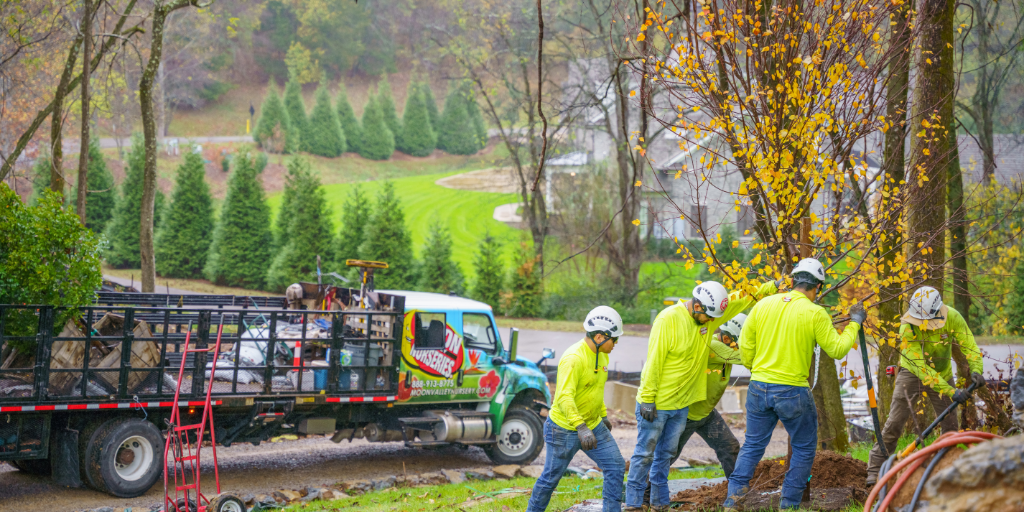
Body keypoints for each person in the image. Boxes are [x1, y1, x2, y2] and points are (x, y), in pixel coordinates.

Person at [723, 258, 865, 511]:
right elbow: (838, 348)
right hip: (792, 390)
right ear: (818, 288)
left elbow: (745, 345)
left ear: (793, 280)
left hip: (759, 386)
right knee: (803, 446)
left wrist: (755, 367)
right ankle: (788, 505)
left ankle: (733, 499)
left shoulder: (764, 304)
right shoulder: (815, 313)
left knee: (753, 444)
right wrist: (854, 322)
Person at [625, 279, 777, 511]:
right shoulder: (675, 324)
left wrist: (767, 288)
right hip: (669, 407)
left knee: (676, 455)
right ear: (697, 307)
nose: (712, 323)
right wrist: (647, 398)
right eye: (709, 317)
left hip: (691, 408)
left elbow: (738, 301)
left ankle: (665, 503)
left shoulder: (707, 322)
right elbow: (654, 361)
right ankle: (637, 502)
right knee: (652, 454)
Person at [864, 286, 984, 485]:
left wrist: (976, 370)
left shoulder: (952, 317)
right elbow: (920, 368)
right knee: (894, 423)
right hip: (912, 373)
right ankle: (875, 470)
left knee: (950, 427)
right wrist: (951, 391)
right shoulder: (907, 327)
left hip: (943, 375)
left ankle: (947, 469)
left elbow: (969, 345)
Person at [642, 313, 748, 507]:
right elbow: (746, 357)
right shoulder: (714, 347)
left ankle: (737, 494)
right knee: (667, 456)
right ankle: (643, 497)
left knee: (729, 447)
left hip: (707, 414)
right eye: (742, 341)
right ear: (727, 338)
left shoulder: (725, 347)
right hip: (687, 414)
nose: (744, 346)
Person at [527, 306, 626, 512]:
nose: (616, 343)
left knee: (615, 466)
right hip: (564, 429)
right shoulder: (574, 358)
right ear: (599, 337)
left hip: (593, 424)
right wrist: (581, 427)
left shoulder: (603, 355)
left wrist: (603, 416)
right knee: (550, 479)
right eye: (614, 339)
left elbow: (595, 390)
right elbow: (564, 397)